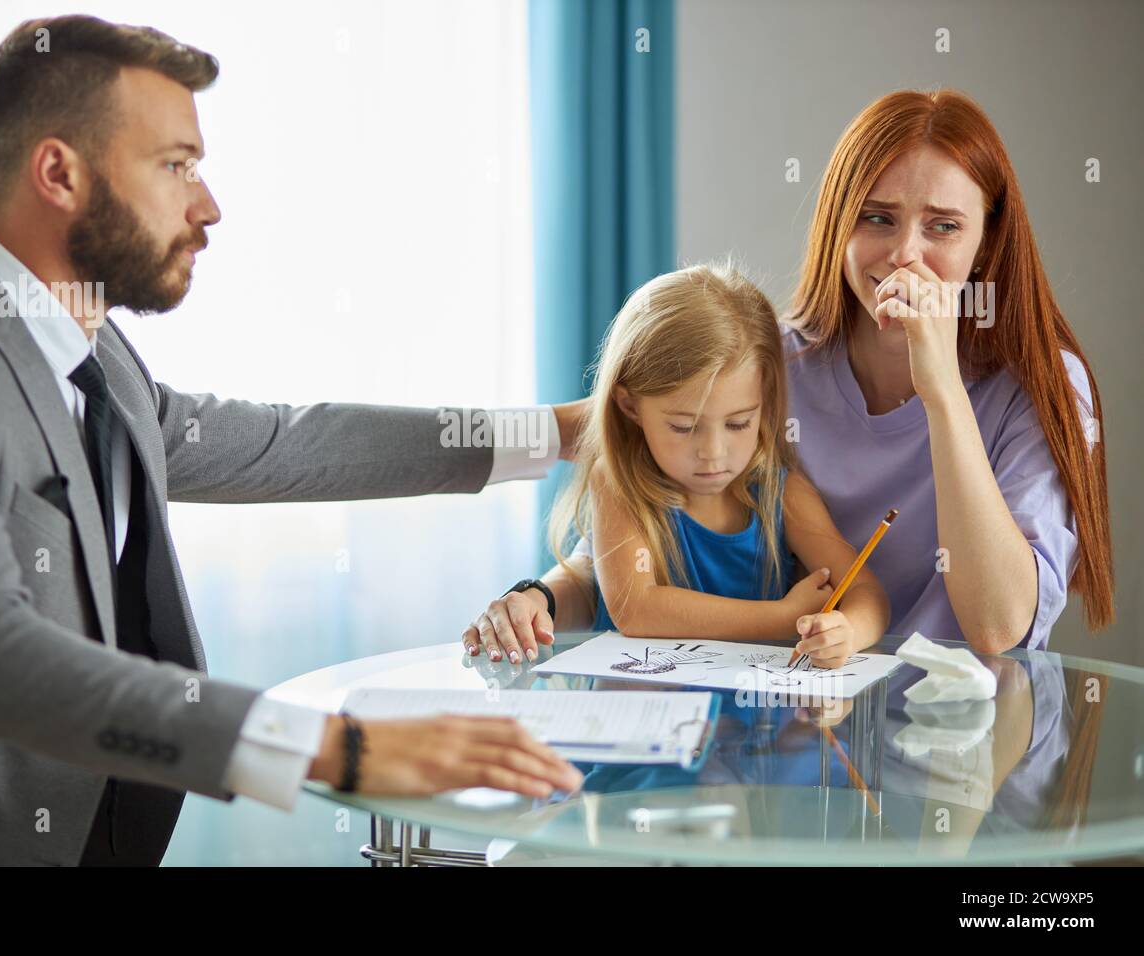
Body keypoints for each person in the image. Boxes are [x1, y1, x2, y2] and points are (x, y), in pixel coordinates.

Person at [0, 14, 584, 866]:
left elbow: (284, 446)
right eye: (177, 166)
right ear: (59, 172)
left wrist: (558, 433)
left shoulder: (99, 359)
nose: (209, 206)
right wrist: (332, 748)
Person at [465, 88, 1109, 662]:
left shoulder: (1043, 387)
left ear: (985, 243)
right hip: (795, 742)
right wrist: (535, 592)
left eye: (944, 227)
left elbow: (997, 628)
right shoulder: (772, 359)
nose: (904, 254)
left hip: (965, 752)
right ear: (837, 223)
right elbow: (614, 451)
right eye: (877, 217)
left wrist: (940, 388)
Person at [524, 261, 889, 667]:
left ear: (765, 400)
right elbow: (638, 610)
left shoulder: (782, 493)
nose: (714, 452)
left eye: (738, 423)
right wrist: (782, 617)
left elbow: (867, 593)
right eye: (684, 427)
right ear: (631, 406)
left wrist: (848, 631)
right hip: (636, 717)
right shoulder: (618, 483)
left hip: (751, 722)